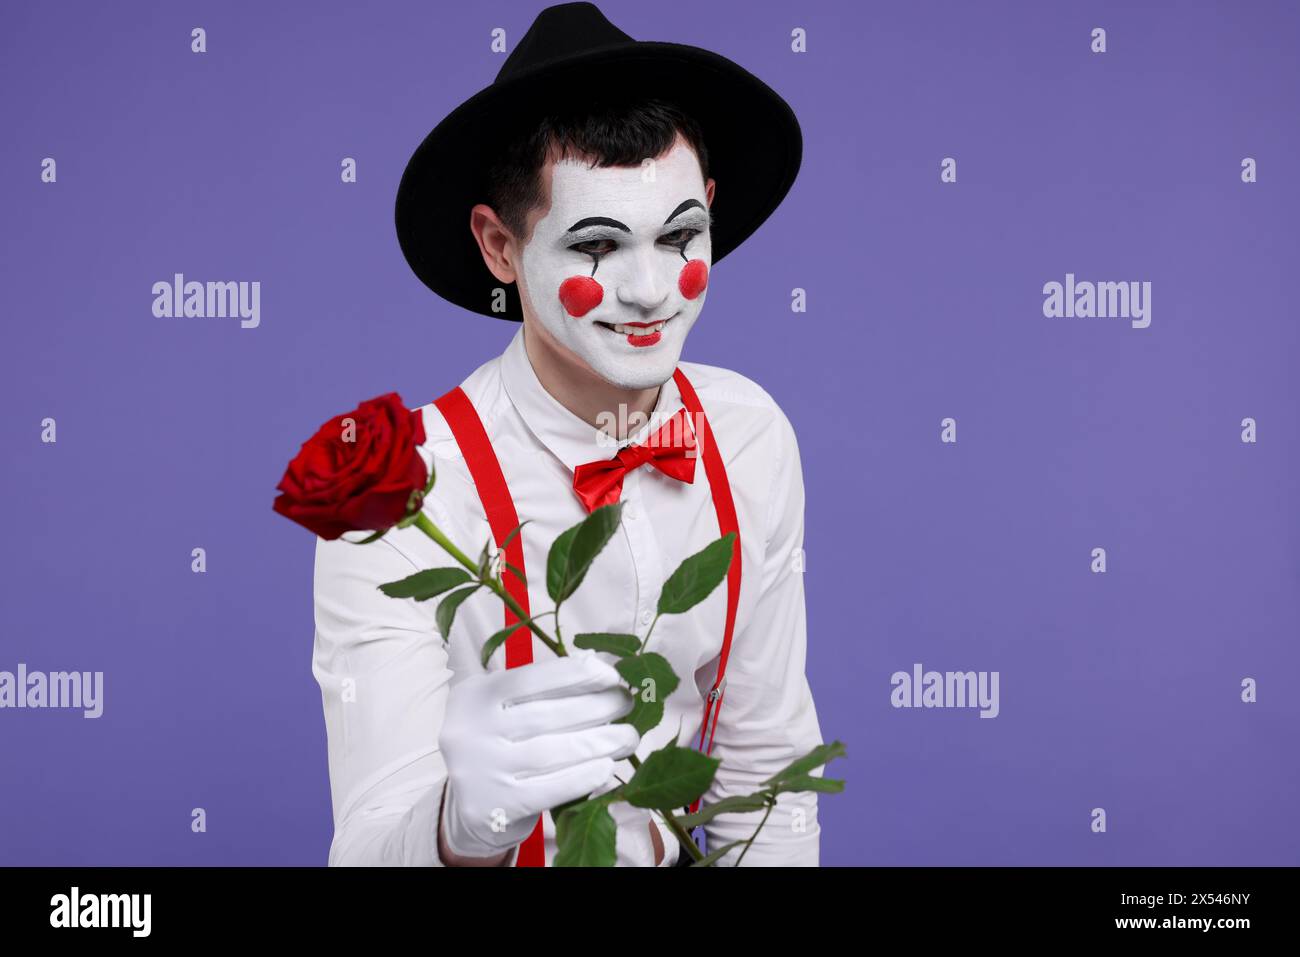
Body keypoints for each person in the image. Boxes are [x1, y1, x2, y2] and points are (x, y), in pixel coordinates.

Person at [311, 1, 824, 867]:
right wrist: (454, 824)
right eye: (598, 245)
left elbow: (764, 774)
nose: (652, 289)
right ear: (500, 247)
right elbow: (366, 845)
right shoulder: (402, 495)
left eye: (680, 236)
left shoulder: (750, 436)